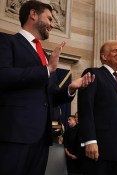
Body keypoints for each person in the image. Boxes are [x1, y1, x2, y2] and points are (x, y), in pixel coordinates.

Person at [0, 1, 94, 175]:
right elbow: (3, 76)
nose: (52, 24)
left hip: (42, 139)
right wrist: (47, 70)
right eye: (49, 18)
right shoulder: (6, 41)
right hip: (14, 134)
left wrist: (70, 88)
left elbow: (49, 96)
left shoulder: (43, 54)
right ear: (33, 14)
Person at [78, 40, 117, 175]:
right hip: (100, 149)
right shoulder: (93, 73)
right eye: (115, 50)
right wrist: (90, 140)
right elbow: (85, 108)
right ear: (104, 56)